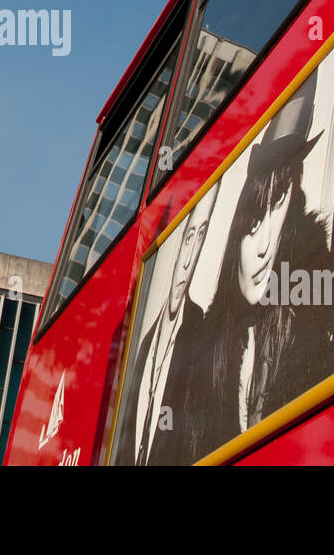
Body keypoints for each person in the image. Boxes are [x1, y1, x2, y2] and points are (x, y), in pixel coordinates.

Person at [203, 70, 331, 438]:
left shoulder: (315, 318)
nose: (264, 247)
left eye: (279, 213)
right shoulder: (206, 345)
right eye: (254, 225)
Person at [116, 184, 217, 465]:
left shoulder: (204, 332)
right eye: (188, 238)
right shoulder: (141, 343)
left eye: (202, 237)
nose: (187, 261)